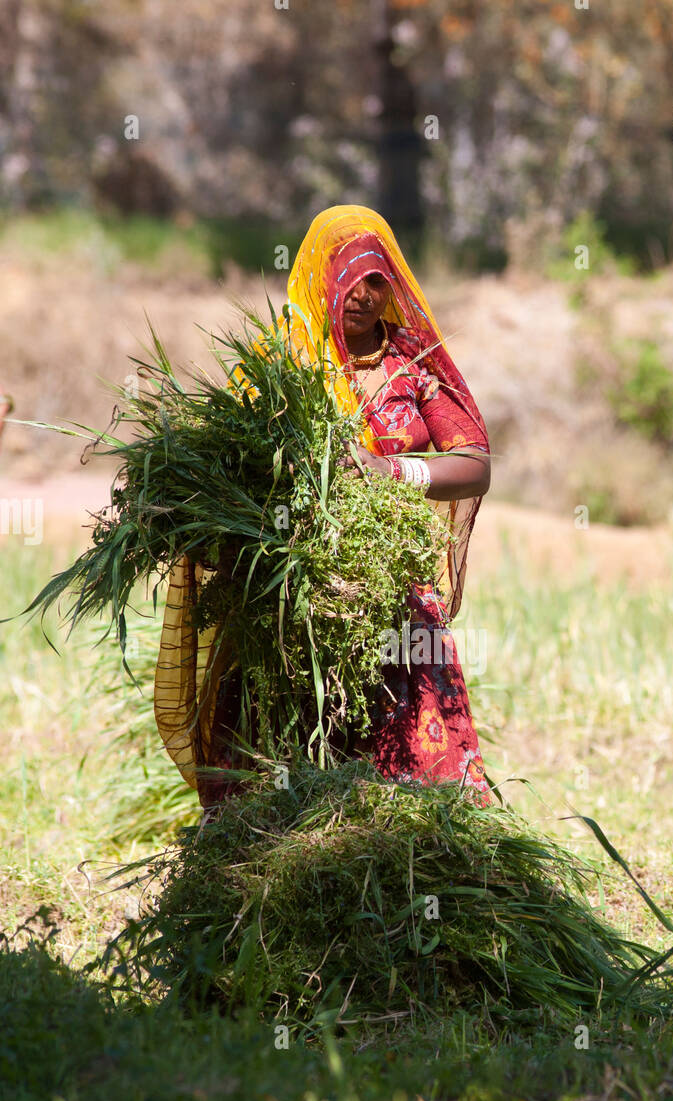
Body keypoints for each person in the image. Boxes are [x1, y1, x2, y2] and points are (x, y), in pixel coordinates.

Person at [154, 205, 492, 805]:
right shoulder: (283, 364)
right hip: (291, 592)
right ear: (320, 277)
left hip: (394, 591)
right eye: (348, 278)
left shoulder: (412, 365)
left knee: (414, 771)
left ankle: (422, 867)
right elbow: (232, 467)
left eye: (376, 280)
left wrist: (394, 471)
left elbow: (474, 464)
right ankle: (261, 865)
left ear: (394, 284)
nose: (361, 295)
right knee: (273, 765)